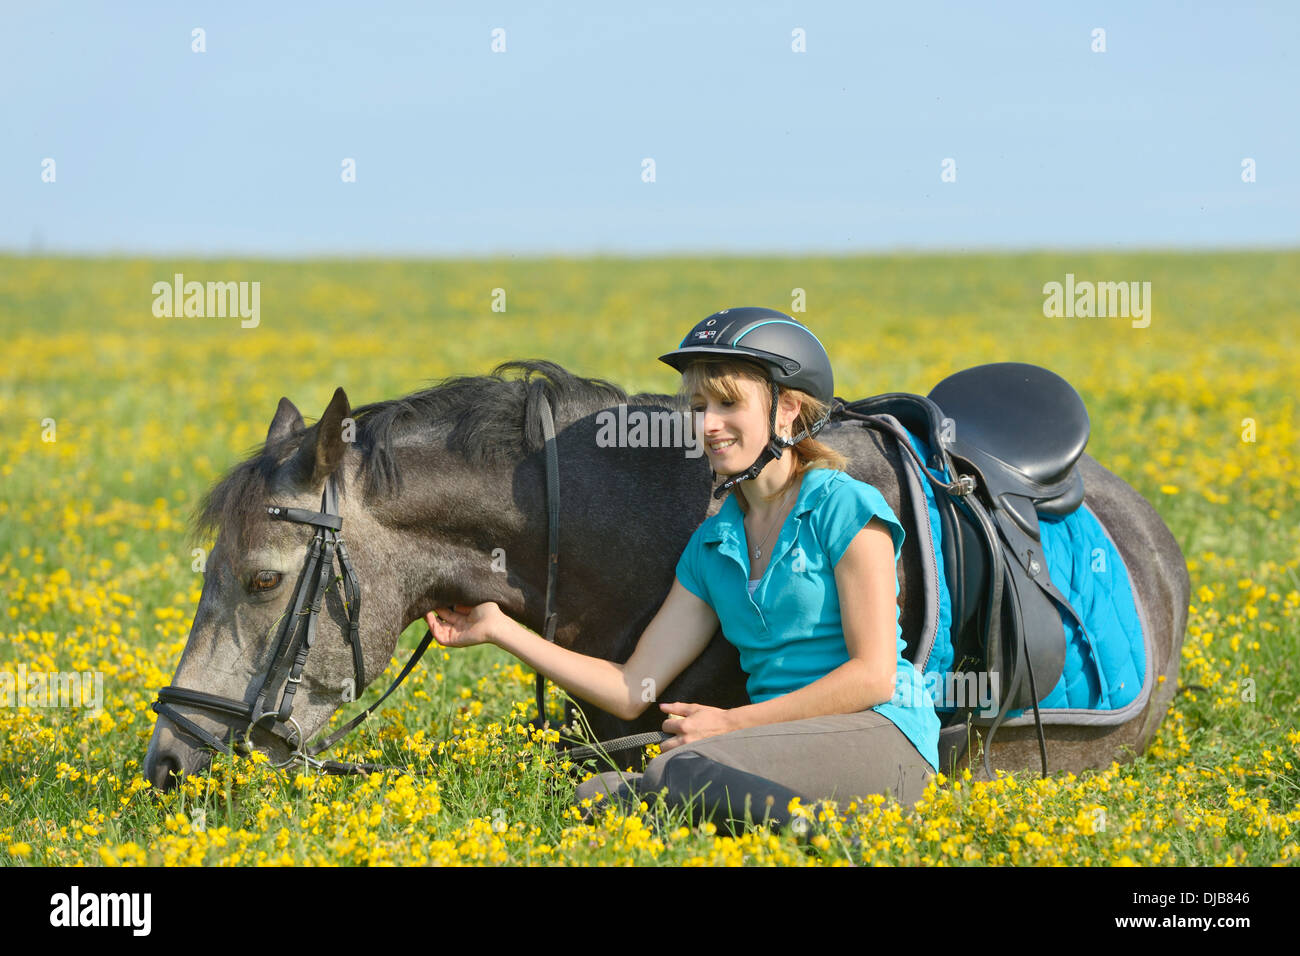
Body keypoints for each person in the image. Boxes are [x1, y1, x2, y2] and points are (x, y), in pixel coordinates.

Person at [426, 307, 940, 830]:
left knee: (680, 772)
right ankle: (788, 831)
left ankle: (832, 844)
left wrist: (730, 724)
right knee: (596, 792)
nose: (708, 424)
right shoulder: (712, 546)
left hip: (878, 734)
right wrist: (497, 629)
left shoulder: (846, 507)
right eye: (697, 407)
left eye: (727, 403)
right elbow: (632, 689)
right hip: (771, 746)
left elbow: (873, 676)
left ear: (786, 410)